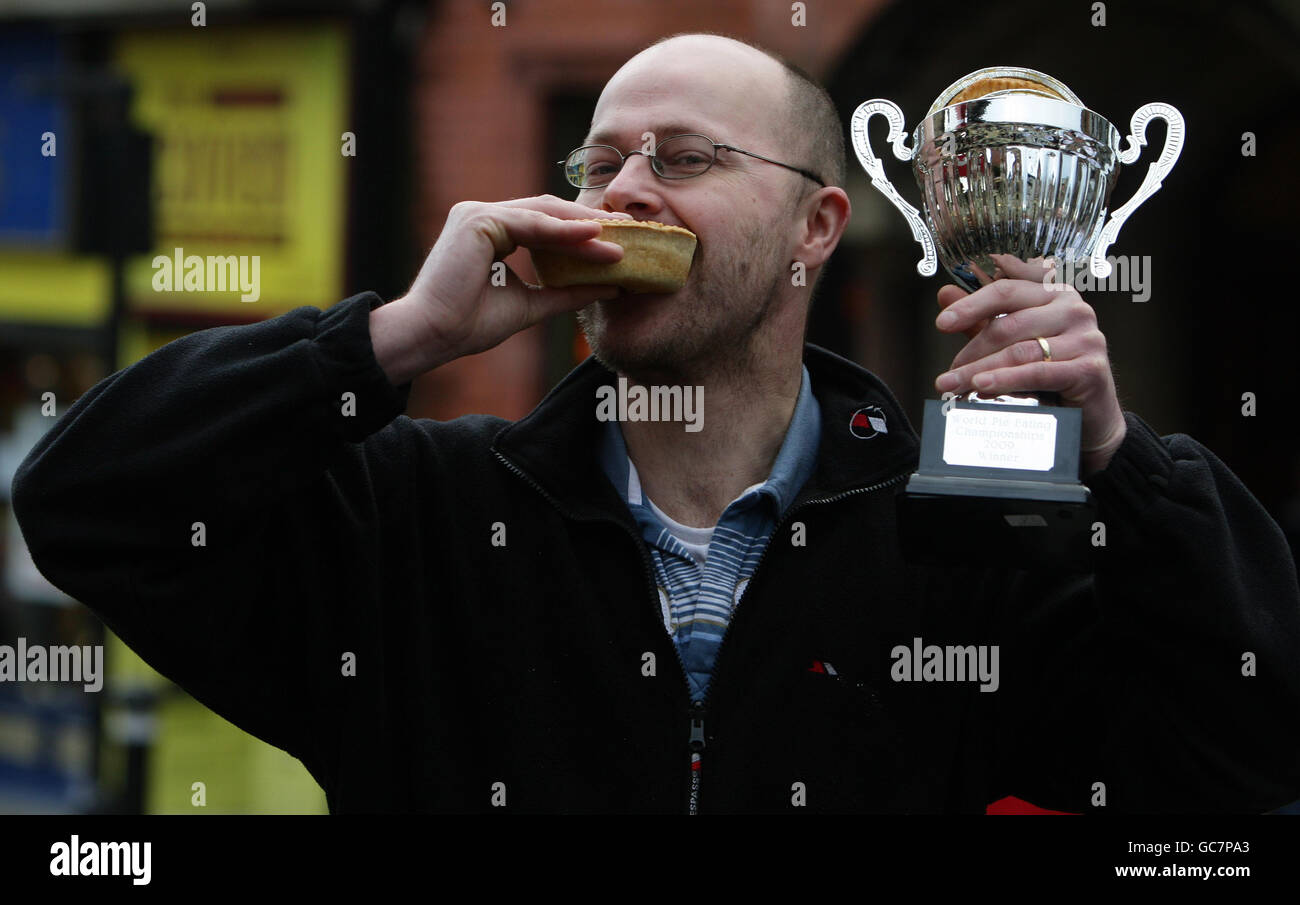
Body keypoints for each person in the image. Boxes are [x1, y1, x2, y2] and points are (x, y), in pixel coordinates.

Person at [11, 33, 1300, 814]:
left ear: (814, 230)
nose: (621, 191)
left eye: (681, 159)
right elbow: (88, 502)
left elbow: (1243, 744)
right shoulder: (419, 521)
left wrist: (1127, 469)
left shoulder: (956, 549)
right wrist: (390, 340)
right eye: (597, 161)